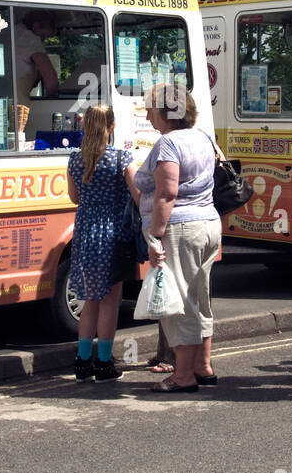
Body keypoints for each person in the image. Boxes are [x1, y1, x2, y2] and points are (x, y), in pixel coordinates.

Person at [134, 84, 221, 391]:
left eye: (151, 109)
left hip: (180, 229)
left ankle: (182, 375)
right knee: (200, 296)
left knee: (181, 300)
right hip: (208, 223)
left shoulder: (168, 143)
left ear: (167, 112)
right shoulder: (203, 136)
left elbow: (167, 192)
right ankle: (203, 366)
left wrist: (155, 237)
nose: (148, 114)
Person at [66, 105, 136, 382]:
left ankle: (83, 362)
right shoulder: (121, 159)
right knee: (110, 302)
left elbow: (74, 198)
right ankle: (104, 364)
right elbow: (138, 194)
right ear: (112, 126)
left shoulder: (74, 159)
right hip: (112, 234)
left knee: (90, 300)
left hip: (85, 233)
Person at [14, 10, 60, 99]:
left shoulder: (6, 32)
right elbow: (51, 79)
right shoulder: (31, 39)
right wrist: (52, 99)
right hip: (15, 103)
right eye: (43, 36)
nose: (42, 42)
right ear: (36, 26)